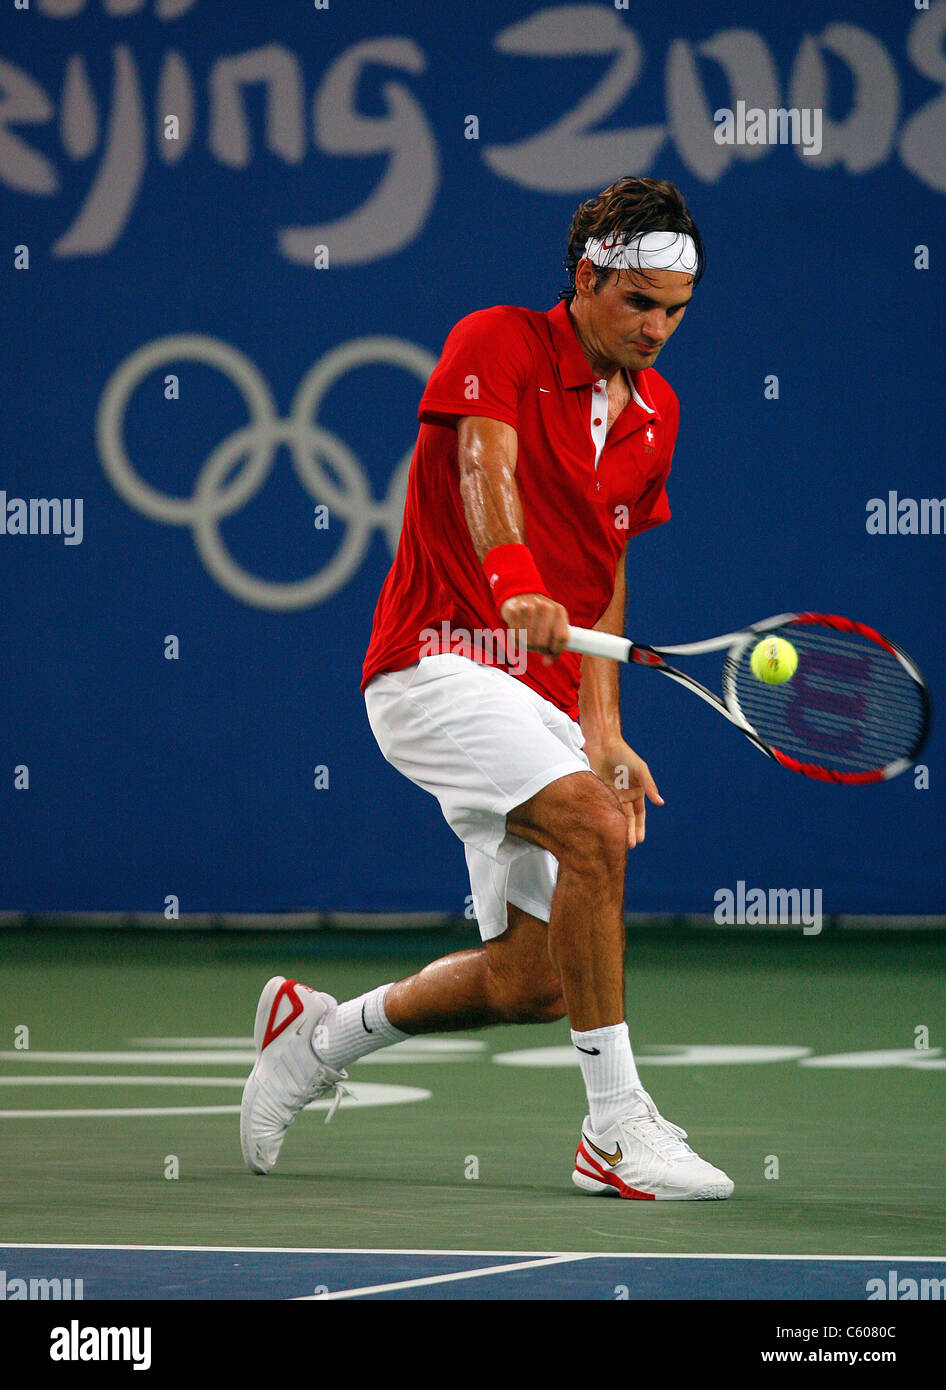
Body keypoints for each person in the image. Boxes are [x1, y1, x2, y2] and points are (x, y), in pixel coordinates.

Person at [241, 176, 734, 1201]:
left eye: (676, 313)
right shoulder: (498, 340)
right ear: (586, 277)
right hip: (434, 663)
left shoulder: (658, 414)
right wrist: (512, 586)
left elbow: (607, 574)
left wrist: (601, 722)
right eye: (637, 302)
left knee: (532, 982)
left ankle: (319, 1037)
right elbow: (482, 469)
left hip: (543, 698)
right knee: (595, 830)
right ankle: (613, 1129)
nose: (656, 329)